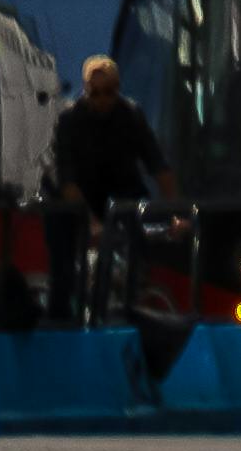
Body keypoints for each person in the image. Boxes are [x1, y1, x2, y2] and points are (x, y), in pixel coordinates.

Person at [50, 52, 169, 316]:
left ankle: (133, 298)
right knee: (63, 260)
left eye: (109, 92)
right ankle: (62, 314)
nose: (103, 100)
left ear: (118, 90)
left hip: (119, 194)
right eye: (95, 93)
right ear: (86, 91)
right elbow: (67, 181)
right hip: (79, 197)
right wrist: (91, 223)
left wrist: (177, 212)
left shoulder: (131, 115)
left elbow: (158, 165)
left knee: (137, 240)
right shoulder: (69, 121)